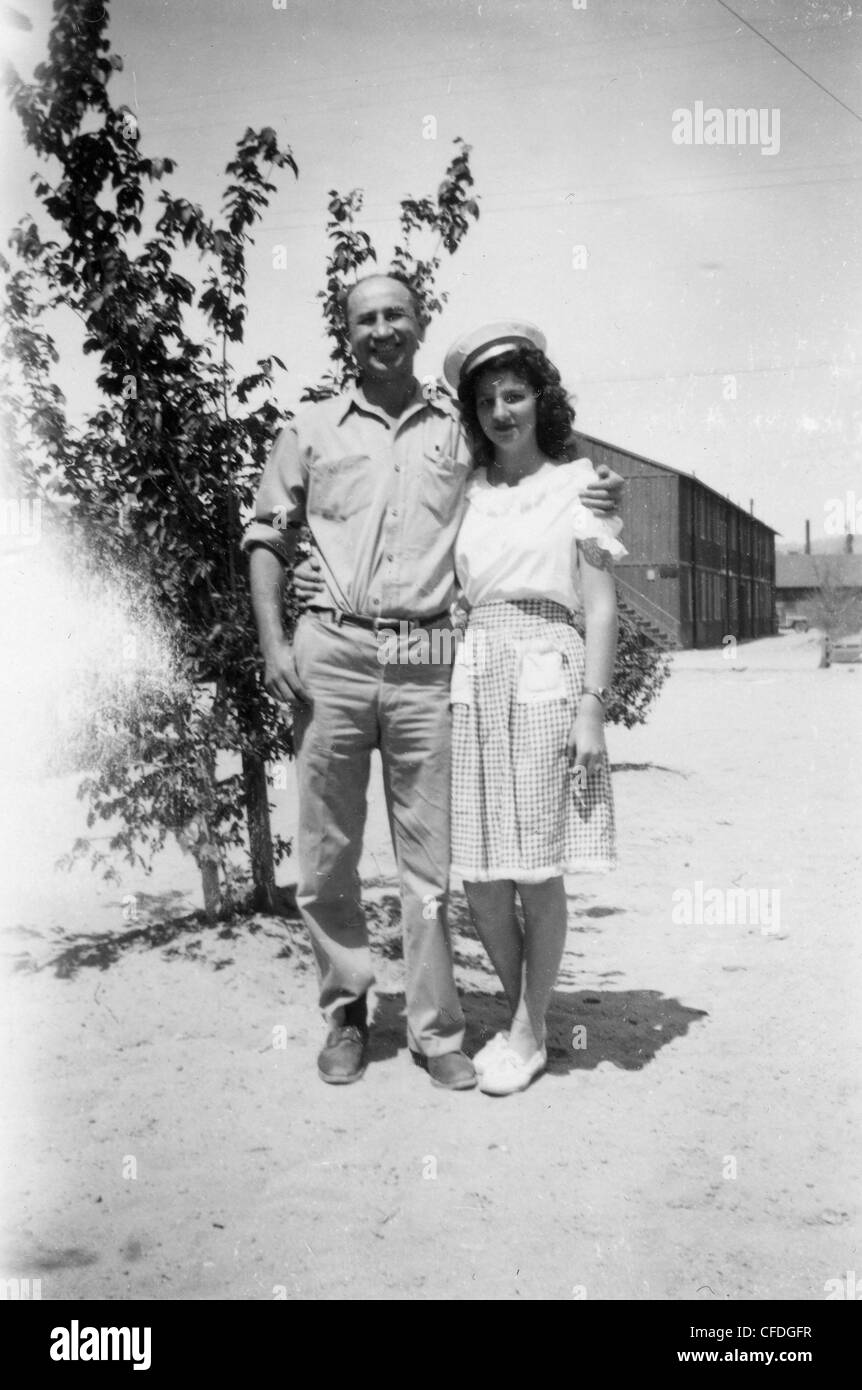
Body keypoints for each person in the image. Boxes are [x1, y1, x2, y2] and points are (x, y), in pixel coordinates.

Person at [243, 277, 623, 1090]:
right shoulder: (308, 428)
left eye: (396, 315)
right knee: (328, 852)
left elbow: (541, 470)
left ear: (420, 326)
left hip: (426, 655)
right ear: (345, 332)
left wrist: (604, 491)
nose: (382, 329)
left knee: (432, 857)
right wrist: (274, 643)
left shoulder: (460, 428)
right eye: (364, 318)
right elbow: (266, 537)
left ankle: (436, 1030)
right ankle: (347, 1013)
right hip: (333, 649)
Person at [442, 321, 625, 1097]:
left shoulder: (578, 485)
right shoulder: (469, 494)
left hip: (549, 673)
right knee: (482, 874)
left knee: (536, 867)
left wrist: (592, 707)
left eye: (514, 394)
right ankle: (521, 1013)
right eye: (486, 400)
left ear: (540, 399)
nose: (501, 411)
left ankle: (530, 1025)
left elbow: (602, 606)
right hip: (477, 674)